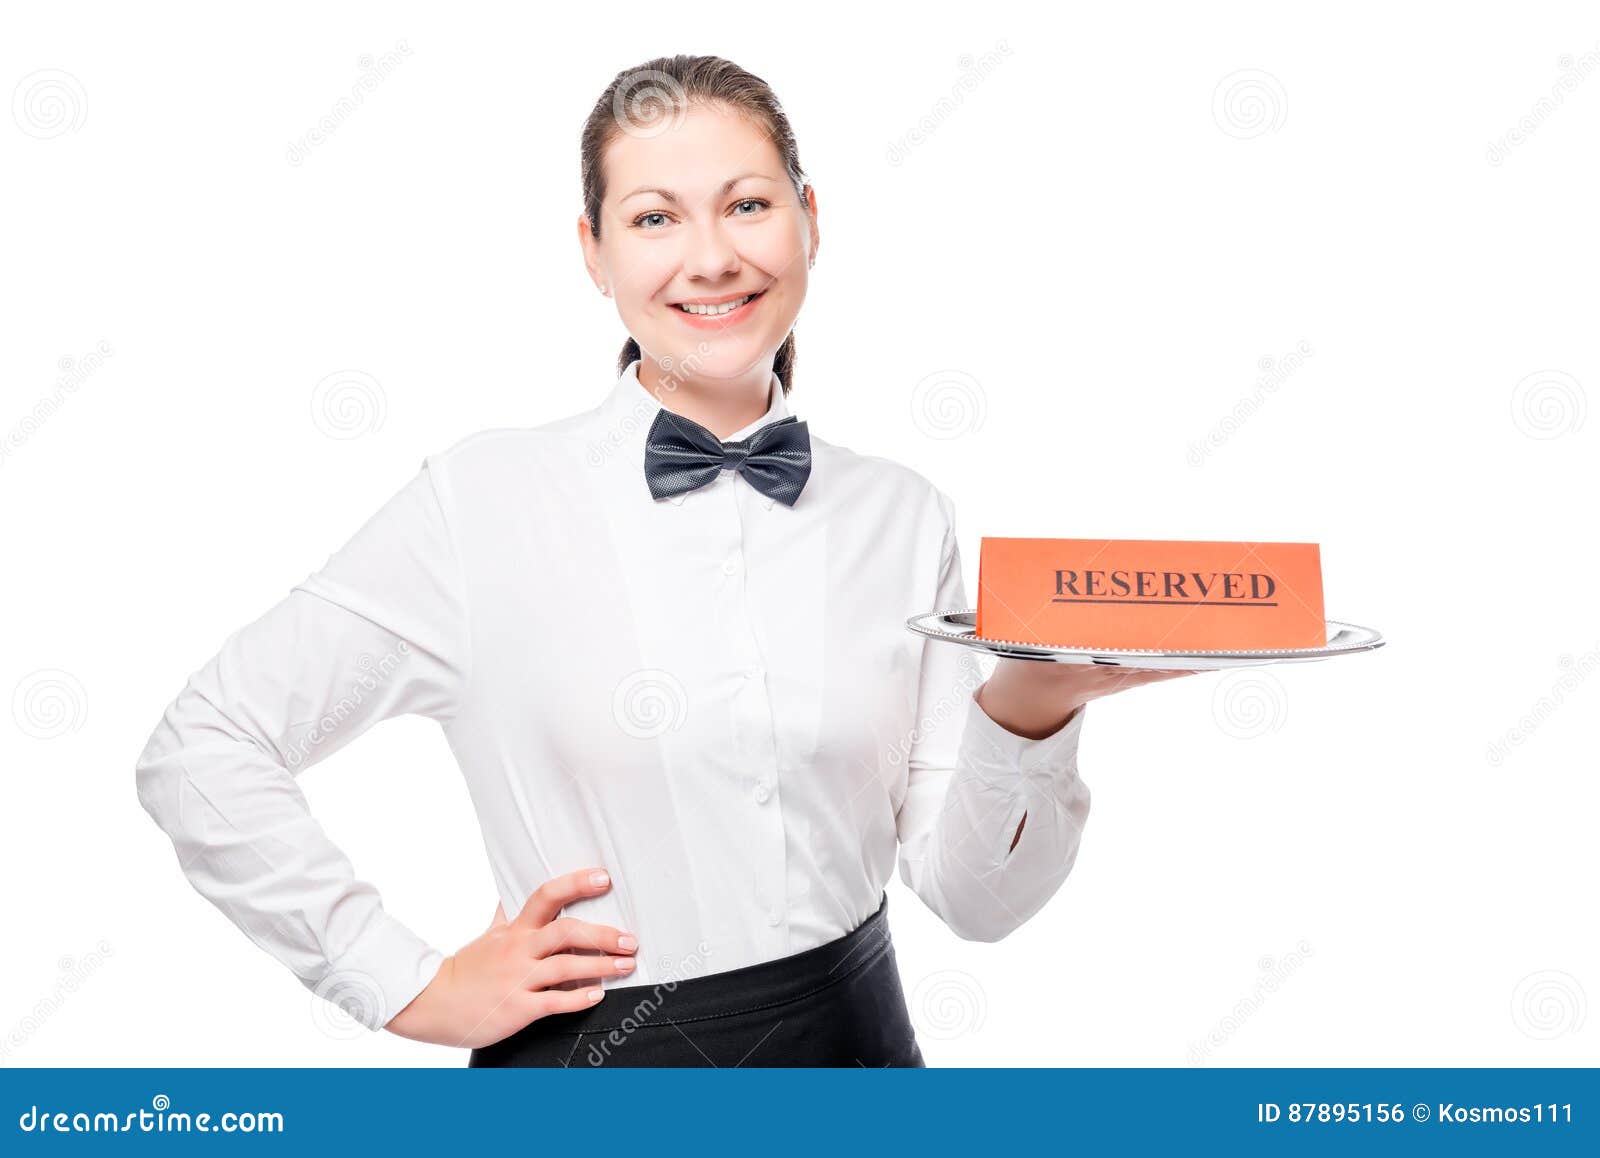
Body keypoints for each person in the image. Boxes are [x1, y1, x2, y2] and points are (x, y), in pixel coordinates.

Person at [135, 53, 1197, 1067]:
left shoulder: (903, 513)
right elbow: (204, 747)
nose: (711, 257)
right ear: (592, 253)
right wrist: (398, 981)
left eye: (747, 204)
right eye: (654, 218)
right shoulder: (481, 503)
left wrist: (1031, 708)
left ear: (811, 221)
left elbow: (975, 902)